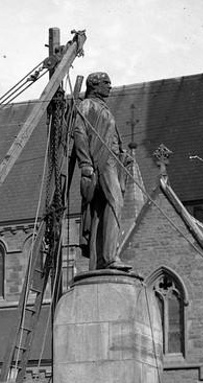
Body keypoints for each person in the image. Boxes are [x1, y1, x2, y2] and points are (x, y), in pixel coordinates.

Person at [72, 71, 131, 271]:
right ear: (94, 85)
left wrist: (122, 154)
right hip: (102, 162)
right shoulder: (87, 105)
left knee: (101, 210)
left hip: (112, 161)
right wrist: (85, 164)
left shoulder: (103, 108)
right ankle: (110, 257)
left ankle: (99, 261)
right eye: (106, 83)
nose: (110, 86)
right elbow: (80, 134)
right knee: (115, 202)